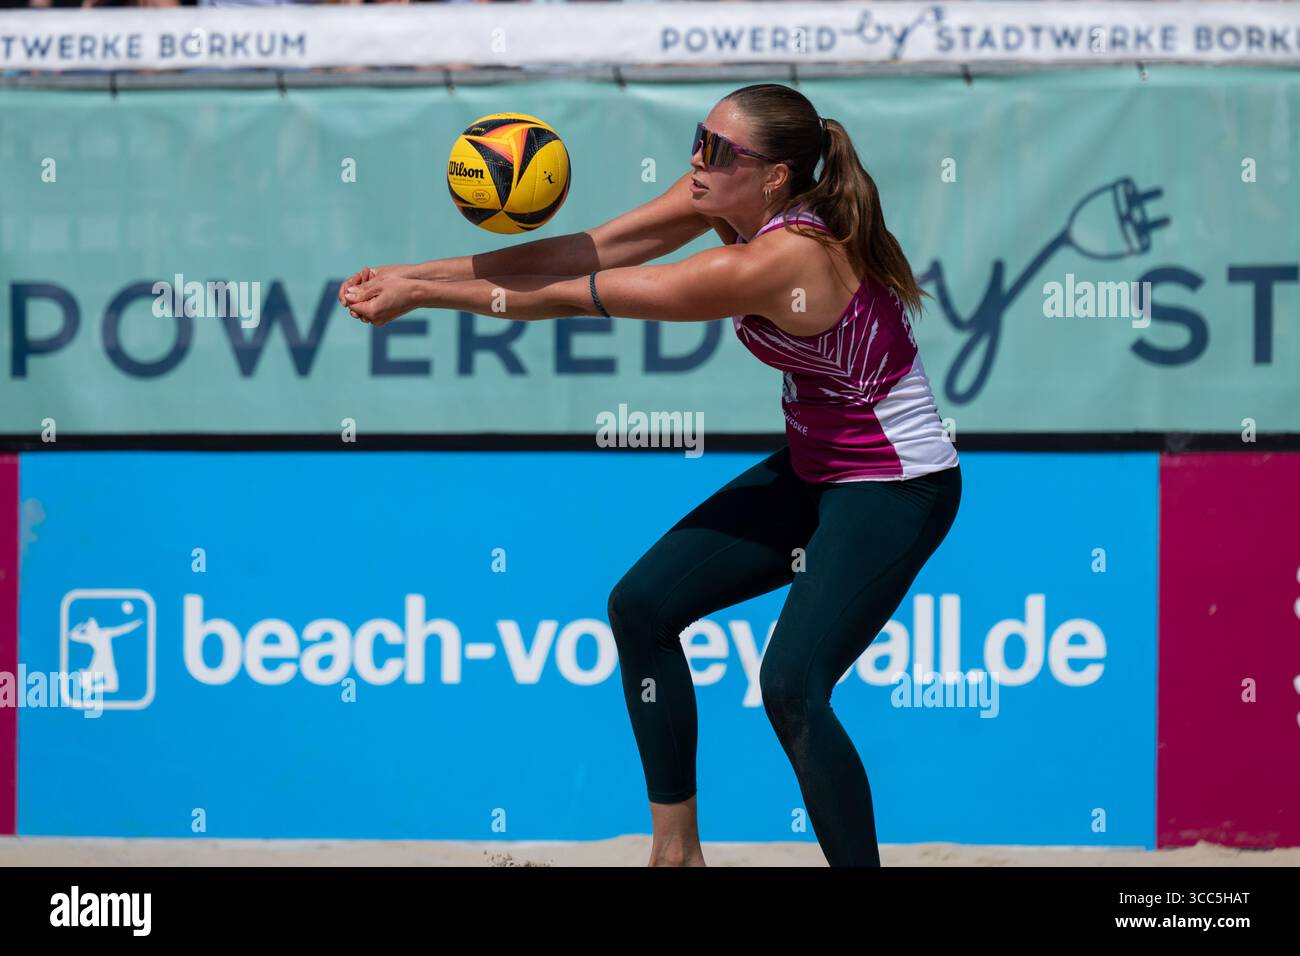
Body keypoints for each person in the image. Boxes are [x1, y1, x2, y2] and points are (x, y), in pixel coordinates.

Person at [341, 83, 961, 867]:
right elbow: (587, 250)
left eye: (719, 152)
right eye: (697, 139)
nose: (697, 162)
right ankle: (675, 854)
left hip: (898, 485)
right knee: (641, 607)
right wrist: (413, 270)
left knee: (792, 689)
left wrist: (426, 295)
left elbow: (577, 295)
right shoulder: (723, 196)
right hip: (817, 468)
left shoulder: (785, 259)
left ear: (774, 177)